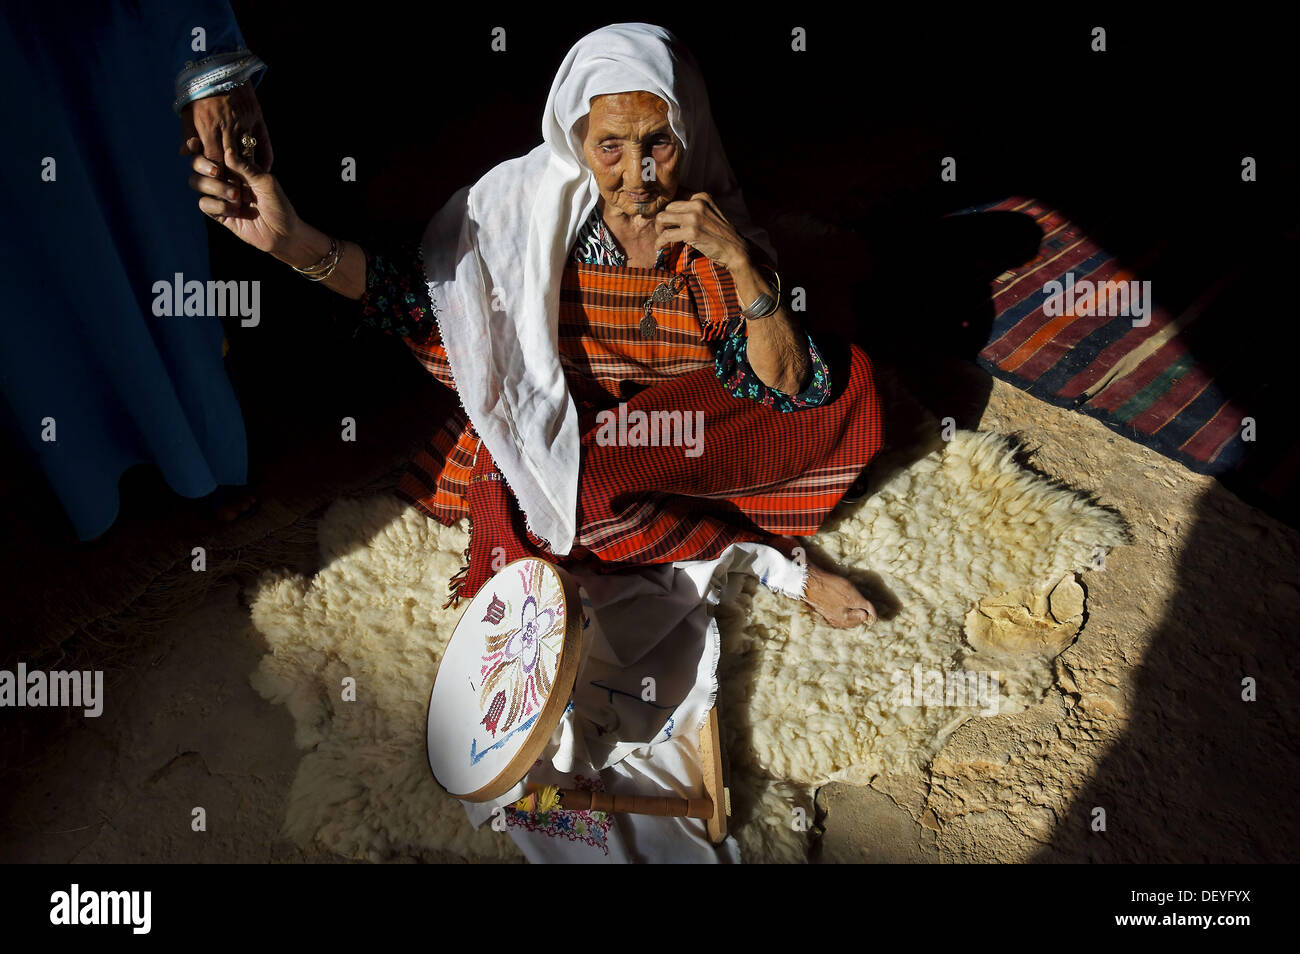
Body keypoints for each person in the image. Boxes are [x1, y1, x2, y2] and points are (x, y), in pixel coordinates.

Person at [186, 23, 884, 627]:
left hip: (684, 430)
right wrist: (291, 243)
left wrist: (738, 261)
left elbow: (786, 383)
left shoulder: (706, 240)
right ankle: (763, 560)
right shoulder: (527, 219)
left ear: (688, 132)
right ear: (576, 138)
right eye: (610, 145)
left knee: (841, 387)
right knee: (563, 489)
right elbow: (421, 302)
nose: (637, 174)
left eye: (659, 144)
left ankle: (660, 521)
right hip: (588, 433)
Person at [0, 1, 266, 539]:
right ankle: (85, 478)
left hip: (91, 30)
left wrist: (212, 65)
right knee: (29, 280)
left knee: (150, 233)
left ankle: (198, 452)